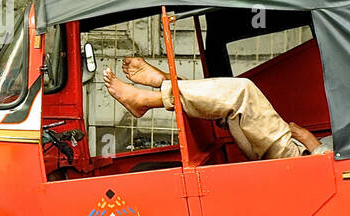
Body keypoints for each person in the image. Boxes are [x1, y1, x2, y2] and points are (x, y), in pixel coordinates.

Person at [103, 56, 329, 160]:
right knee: (228, 108)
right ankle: (167, 84)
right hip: (292, 154)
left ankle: (149, 99)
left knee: (243, 91)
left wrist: (310, 140)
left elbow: (334, 161)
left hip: (304, 162)